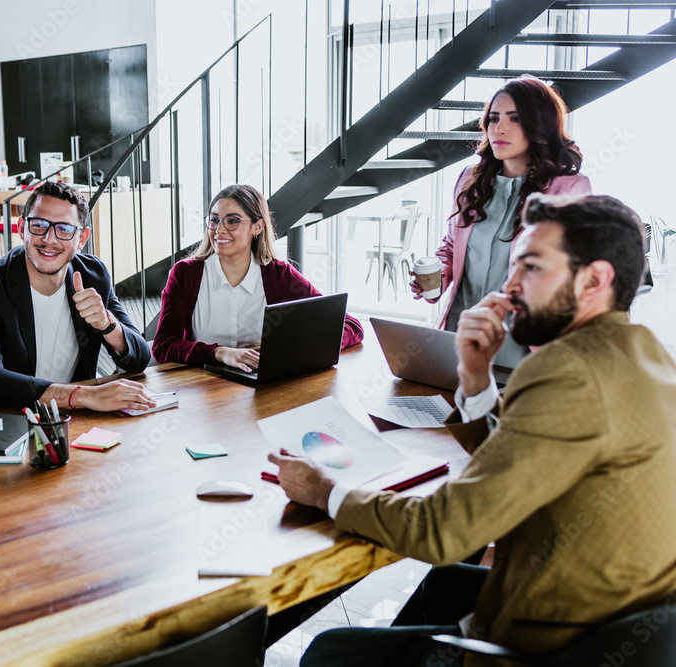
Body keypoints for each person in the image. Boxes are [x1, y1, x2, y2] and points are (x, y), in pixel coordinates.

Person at [270, 193, 676, 666]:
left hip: (551, 646)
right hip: (616, 622)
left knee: (329, 653)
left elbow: (445, 532)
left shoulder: (568, 372)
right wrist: (476, 377)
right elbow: (512, 463)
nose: (510, 285)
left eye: (531, 268)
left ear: (594, 280)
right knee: (444, 583)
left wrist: (323, 490)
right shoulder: (648, 355)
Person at [413, 76, 591, 366]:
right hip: (461, 331)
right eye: (493, 118)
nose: (500, 128)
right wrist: (436, 278)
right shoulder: (470, 180)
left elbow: (569, 274)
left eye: (515, 118)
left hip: (521, 343)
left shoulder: (568, 188)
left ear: (539, 124)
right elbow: (451, 245)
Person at [0, 180, 155, 411]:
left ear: (82, 238)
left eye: (64, 229)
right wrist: (83, 396)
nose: (49, 239)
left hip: (62, 419)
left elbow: (140, 358)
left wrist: (108, 324)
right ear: (21, 228)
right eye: (38, 224)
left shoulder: (92, 275)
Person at [152, 184, 363, 370]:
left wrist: (302, 347)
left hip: (261, 385)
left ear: (257, 227)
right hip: (202, 387)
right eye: (215, 220)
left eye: (232, 221)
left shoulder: (279, 275)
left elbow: (351, 326)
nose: (219, 230)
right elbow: (163, 345)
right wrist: (219, 352)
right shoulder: (186, 274)